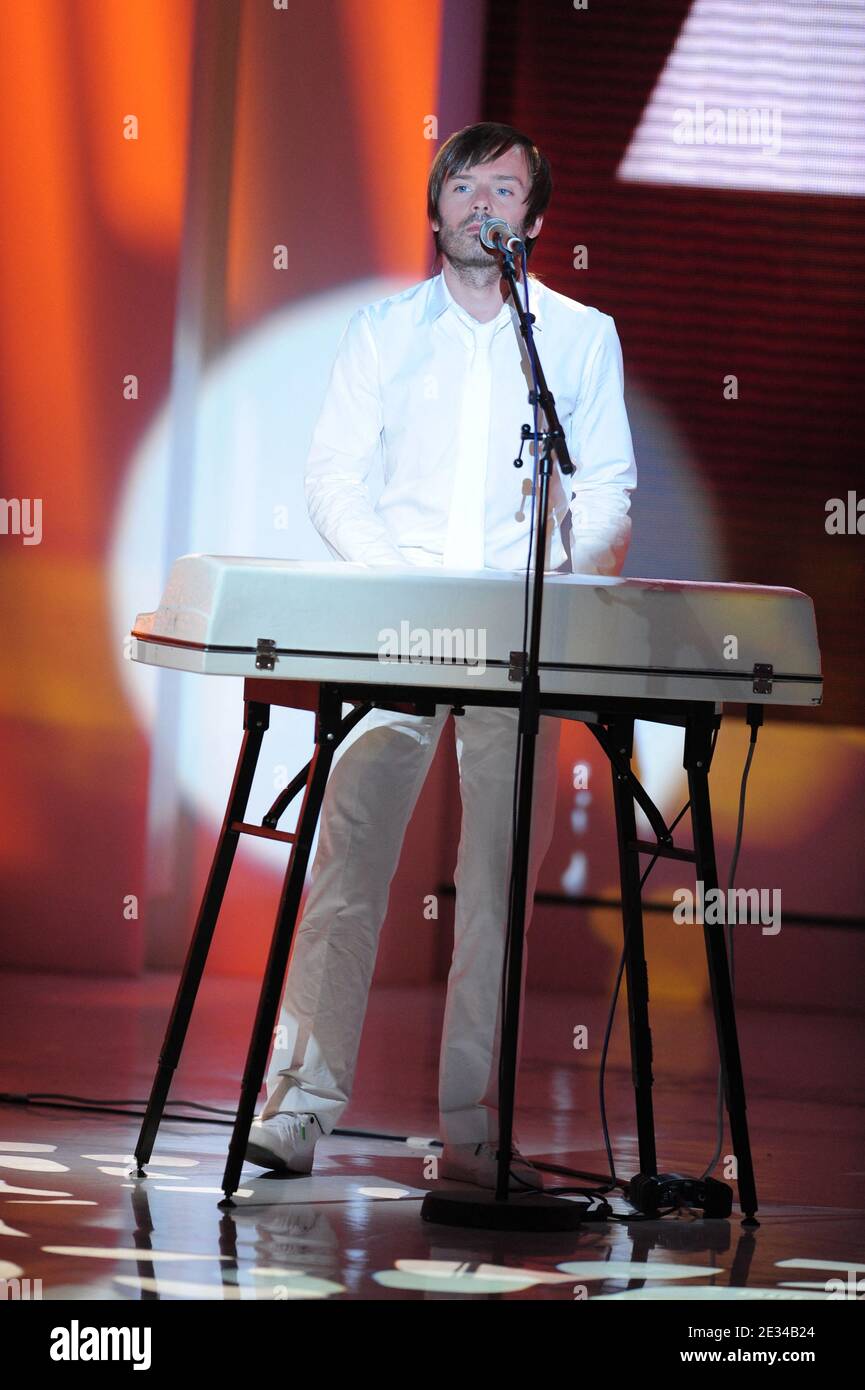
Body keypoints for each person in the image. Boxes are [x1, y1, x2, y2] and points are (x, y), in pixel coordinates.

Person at [244, 122, 636, 1189]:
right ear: (434, 209)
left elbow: (606, 486)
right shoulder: (382, 331)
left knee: (497, 882)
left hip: (522, 635)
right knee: (348, 867)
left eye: (504, 189)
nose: (481, 204)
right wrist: (397, 588)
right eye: (462, 186)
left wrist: (562, 584)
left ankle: (474, 1134)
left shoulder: (577, 337)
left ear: (534, 219)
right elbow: (334, 477)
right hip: (398, 626)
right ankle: (298, 1106)